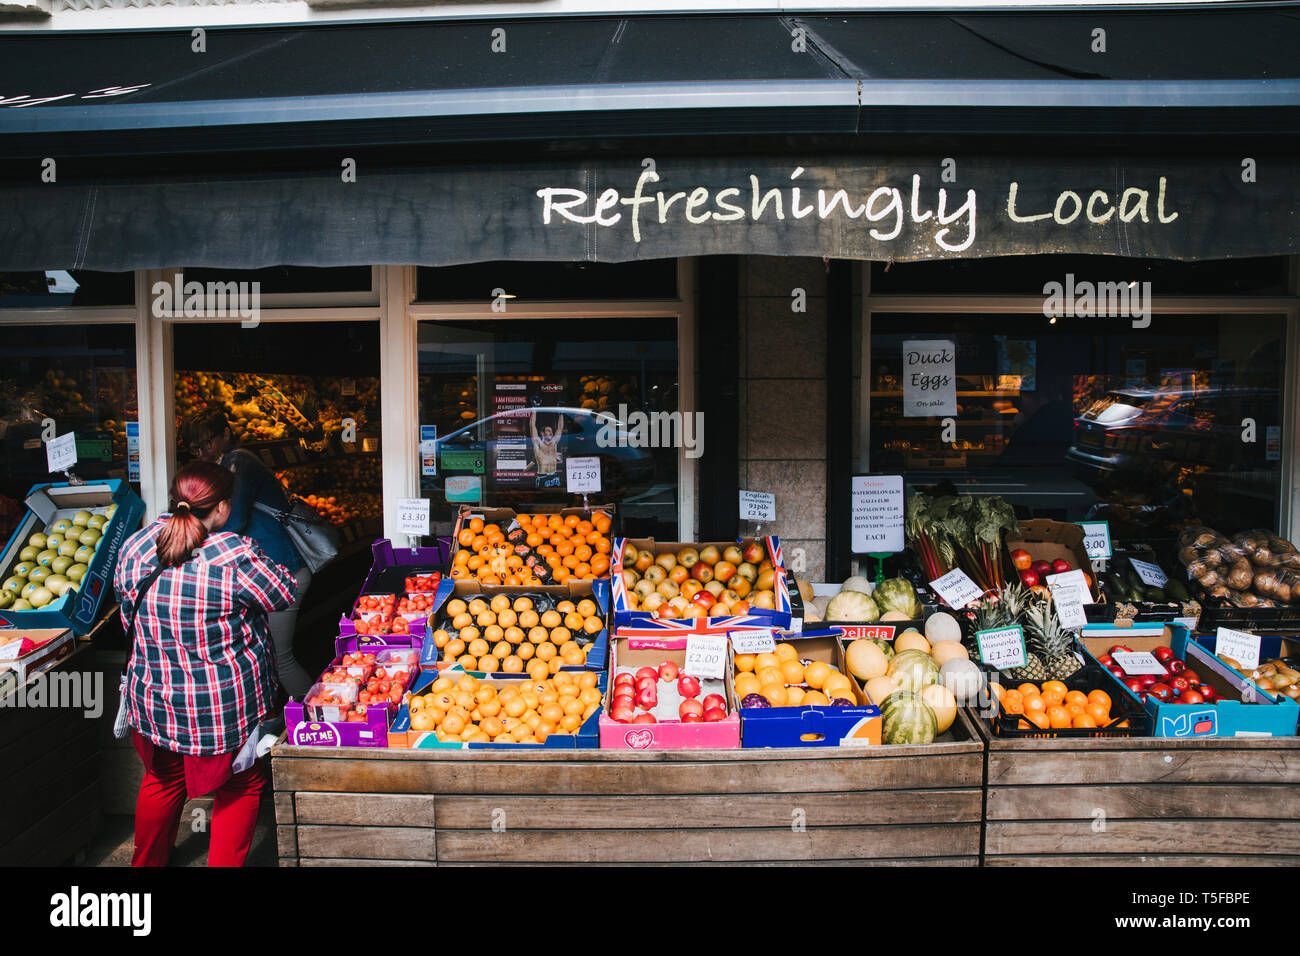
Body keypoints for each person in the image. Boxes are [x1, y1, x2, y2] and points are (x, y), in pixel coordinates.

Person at [115, 461, 298, 867]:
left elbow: (129, 618)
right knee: (240, 785)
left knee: (163, 780)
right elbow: (284, 593)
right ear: (220, 508)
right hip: (222, 706)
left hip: (155, 697)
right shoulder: (231, 553)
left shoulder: (134, 546)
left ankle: (146, 863)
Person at [183, 410, 314, 696]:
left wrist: (192, 542)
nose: (202, 452)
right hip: (262, 572)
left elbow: (234, 520)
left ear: (226, 435)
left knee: (280, 658)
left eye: (206, 443)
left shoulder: (238, 462)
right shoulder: (223, 466)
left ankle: (319, 722)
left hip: (282, 572)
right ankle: (277, 720)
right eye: (194, 447)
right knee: (263, 656)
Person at [529, 408, 563, 489]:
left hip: (554, 476)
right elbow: (532, 426)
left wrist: (561, 413)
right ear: (542, 433)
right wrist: (534, 408)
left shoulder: (554, 444)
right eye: (548, 430)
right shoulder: (538, 443)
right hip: (543, 477)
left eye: (551, 431)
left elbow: (560, 428)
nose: (551, 433)